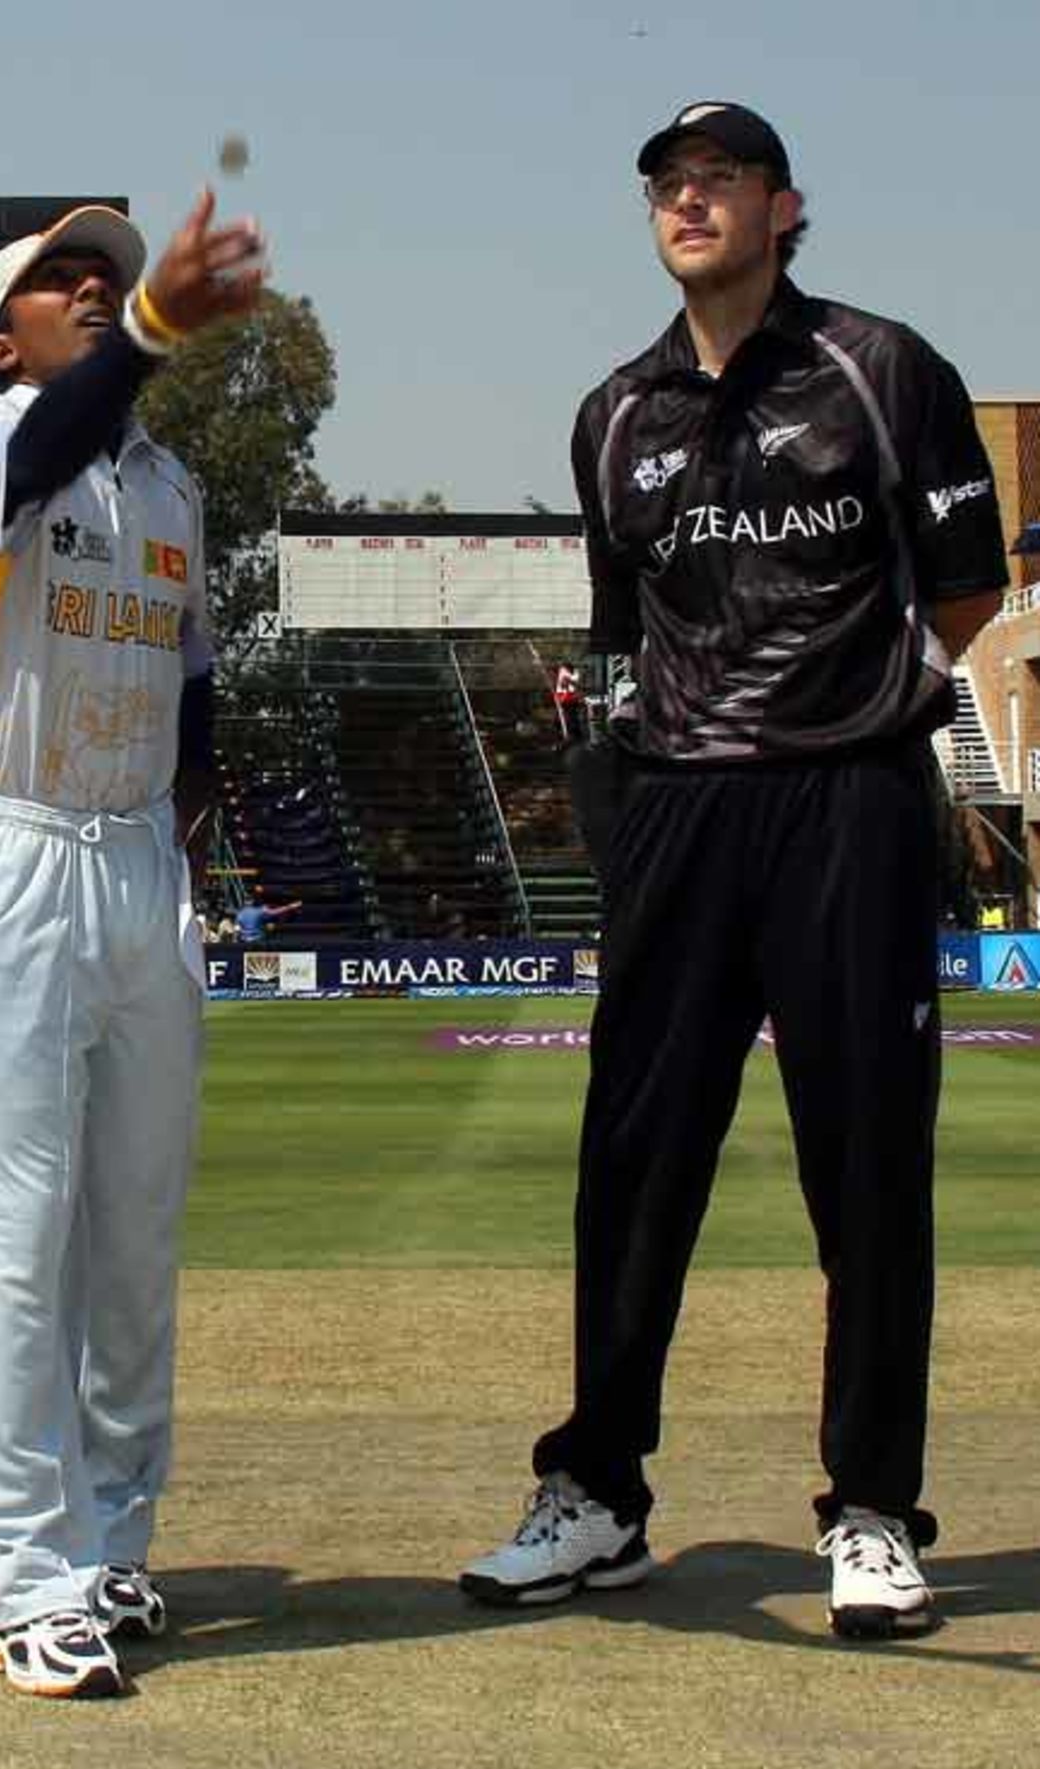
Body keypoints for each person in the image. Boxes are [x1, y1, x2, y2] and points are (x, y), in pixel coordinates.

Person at [460, 102, 1007, 1638]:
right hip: (681, 815)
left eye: (721, 179)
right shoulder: (614, 413)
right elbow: (621, 630)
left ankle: (873, 1510)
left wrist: (871, 709)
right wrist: (637, 783)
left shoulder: (882, 368)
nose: (689, 201)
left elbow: (966, 587)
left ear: (784, 206)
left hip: (847, 805)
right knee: (634, 1160)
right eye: (667, 184)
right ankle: (597, 1494)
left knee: (868, 1162)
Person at [0, 191, 266, 1697]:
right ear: (3, 338)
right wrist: (150, 327)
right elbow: (48, 447)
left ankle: (115, 1542)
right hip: (10, 840)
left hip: (135, 860)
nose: (90, 290)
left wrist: (190, 823)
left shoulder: (173, 486)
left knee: (131, 1235)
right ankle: (24, 1574)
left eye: (106, 279)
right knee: (17, 1233)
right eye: (57, 279)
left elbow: (190, 675)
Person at [237, 895, 302, 942]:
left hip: (245, 940)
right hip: (258, 939)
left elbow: (237, 928)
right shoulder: (261, 910)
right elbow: (276, 912)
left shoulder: (240, 913)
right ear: (253, 901)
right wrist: (291, 906)